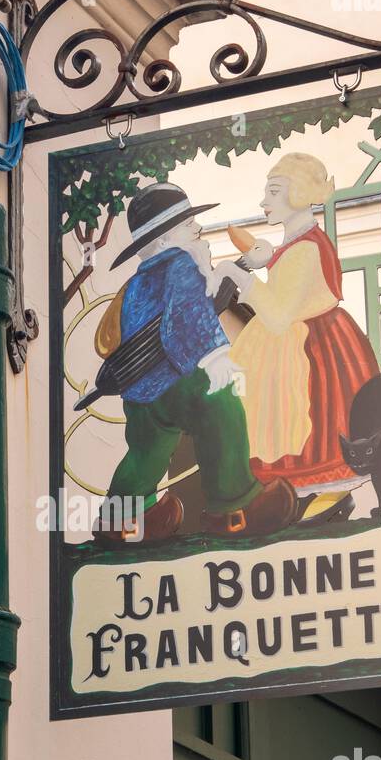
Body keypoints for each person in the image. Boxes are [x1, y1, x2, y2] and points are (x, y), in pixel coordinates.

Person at [94, 182, 297, 543]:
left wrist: (245, 265)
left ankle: (122, 517)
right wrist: (216, 356)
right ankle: (235, 507)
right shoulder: (182, 264)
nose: (198, 230)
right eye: (189, 225)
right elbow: (185, 319)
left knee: (146, 452)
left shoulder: (142, 281)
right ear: (163, 239)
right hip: (178, 375)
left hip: (141, 392)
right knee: (223, 412)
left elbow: (201, 300)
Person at [223, 153, 379, 522]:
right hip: (306, 344)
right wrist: (267, 260)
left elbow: (278, 316)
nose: (264, 202)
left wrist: (240, 278)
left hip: (308, 353)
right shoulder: (299, 244)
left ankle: (313, 500)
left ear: (299, 193)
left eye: (274, 191)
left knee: (309, 429)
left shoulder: (305, 249)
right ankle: (301, 502)